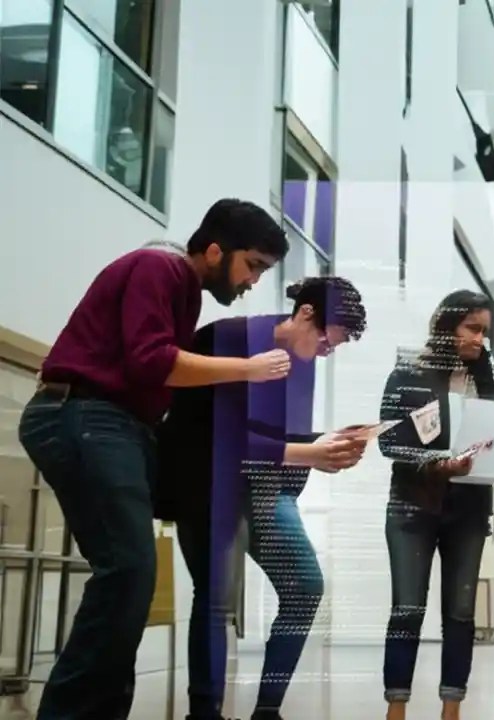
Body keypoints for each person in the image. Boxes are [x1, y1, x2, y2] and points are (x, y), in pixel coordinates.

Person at [16, 199, 291, 720]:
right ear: (215, 249)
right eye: (252, 264)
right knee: (129, 572)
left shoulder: (182, 292)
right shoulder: (159, 267)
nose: (253, 281)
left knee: (129, 580)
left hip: (110, 422)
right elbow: (152, 362)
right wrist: (247, 369)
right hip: (86, 414)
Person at [156, 276, 371, 720]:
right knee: (216, 598)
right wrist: (308, 453)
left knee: (304, 588)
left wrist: (323, 445)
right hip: (209, 483)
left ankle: (267, 710)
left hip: (266, 488)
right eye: (335, 337)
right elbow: (213, 436)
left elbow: (277, 438)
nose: (334, 348)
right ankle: (204, 713)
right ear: (308, 313)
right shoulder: (228, 338)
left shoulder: (304, 361)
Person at [379, 290, 494, 720]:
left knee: (461, 612)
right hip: (412, 507)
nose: (479, 339)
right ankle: (397, 706)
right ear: (447, 325)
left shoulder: (487, 381)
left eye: (484, 331)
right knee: (407, 609)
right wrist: (436, 462)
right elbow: (389, 441)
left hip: (468, 509)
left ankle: (452, 707)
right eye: (472, 328)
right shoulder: (407, 374)